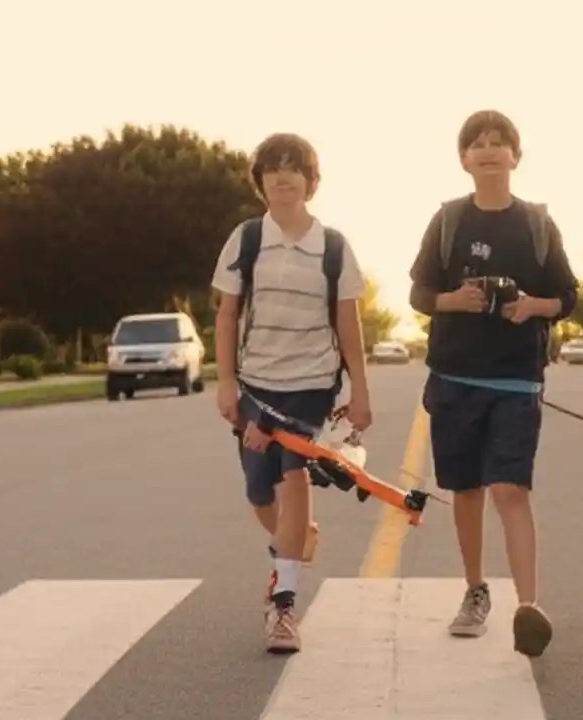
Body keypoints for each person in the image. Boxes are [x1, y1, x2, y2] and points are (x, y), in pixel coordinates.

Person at [408, 109, 578, 657]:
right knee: (465, 490)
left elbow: (569, 297)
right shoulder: (448, 221)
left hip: (515, 381)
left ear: (515, 157)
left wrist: (532, 306)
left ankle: (529, 607)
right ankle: (475, 591)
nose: (487, 151)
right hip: (454, 377)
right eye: (477, 144)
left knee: (510, 489)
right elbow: (419, 293)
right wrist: (453, 301)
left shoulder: (536, 224)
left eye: (498, 143)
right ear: (464, 159)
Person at [211, 132, 371, 654]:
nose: (283, 177)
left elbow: (348, 324)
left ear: (310, 181)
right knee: (260, 490)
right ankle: (294, 542)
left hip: (312, 385)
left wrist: (361, 391)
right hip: (257, 383)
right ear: (260, 182)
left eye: (293, 168)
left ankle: (283, 608)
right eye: (273, 169)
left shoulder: (333, 247)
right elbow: (228, 314)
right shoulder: (246, 240)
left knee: (294, 473)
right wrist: (228, 381)